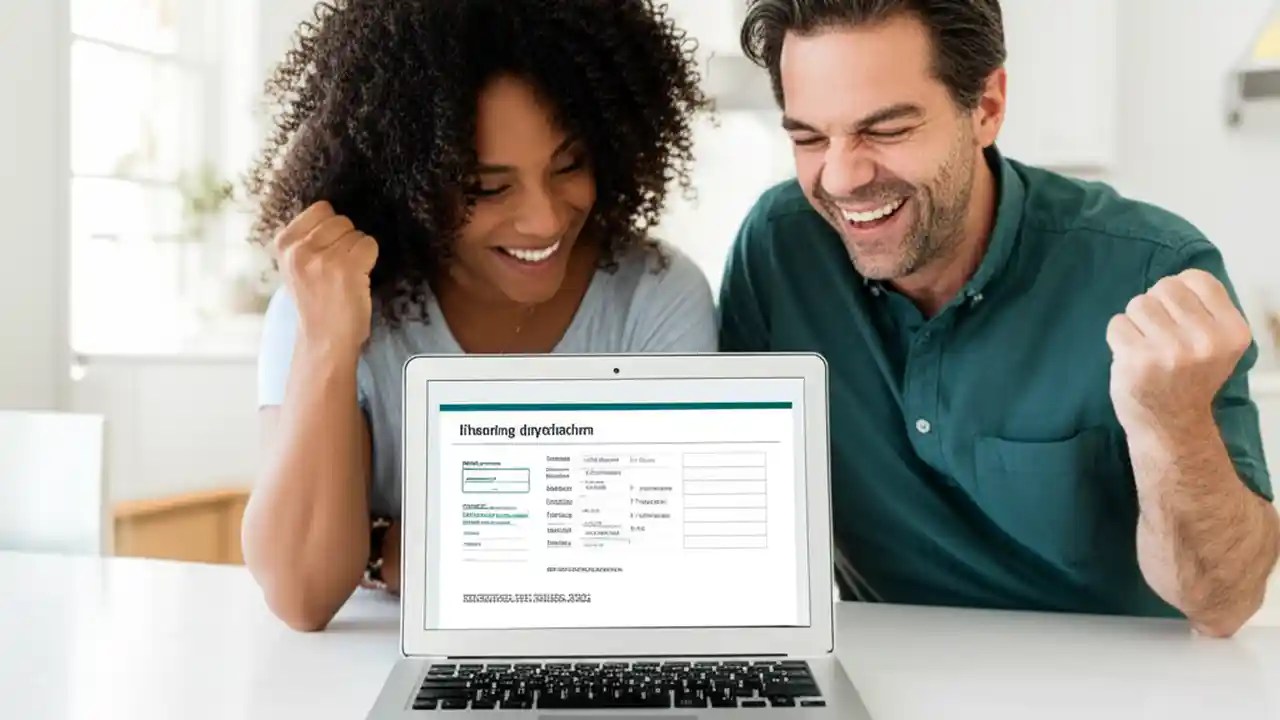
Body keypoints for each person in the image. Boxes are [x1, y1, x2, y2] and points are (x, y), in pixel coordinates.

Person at [722, 0, 1279, 636]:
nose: (844, 177)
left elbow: (1225, 601)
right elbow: (740, 527)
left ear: (986, 107)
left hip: (1120, 687)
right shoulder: (780, 248)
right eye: (809, 138)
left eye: (888, 130)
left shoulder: (1151, 270)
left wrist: (1173, 422)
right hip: (886, 676)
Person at [242, 0, 716, 632]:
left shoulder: (655, 296)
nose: (545, 219)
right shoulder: (324, 307)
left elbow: (665, 557)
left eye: (569, 165)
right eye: (488, 188)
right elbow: (302, 594)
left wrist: (390, 549)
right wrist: (329, 346)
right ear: (401, 180)